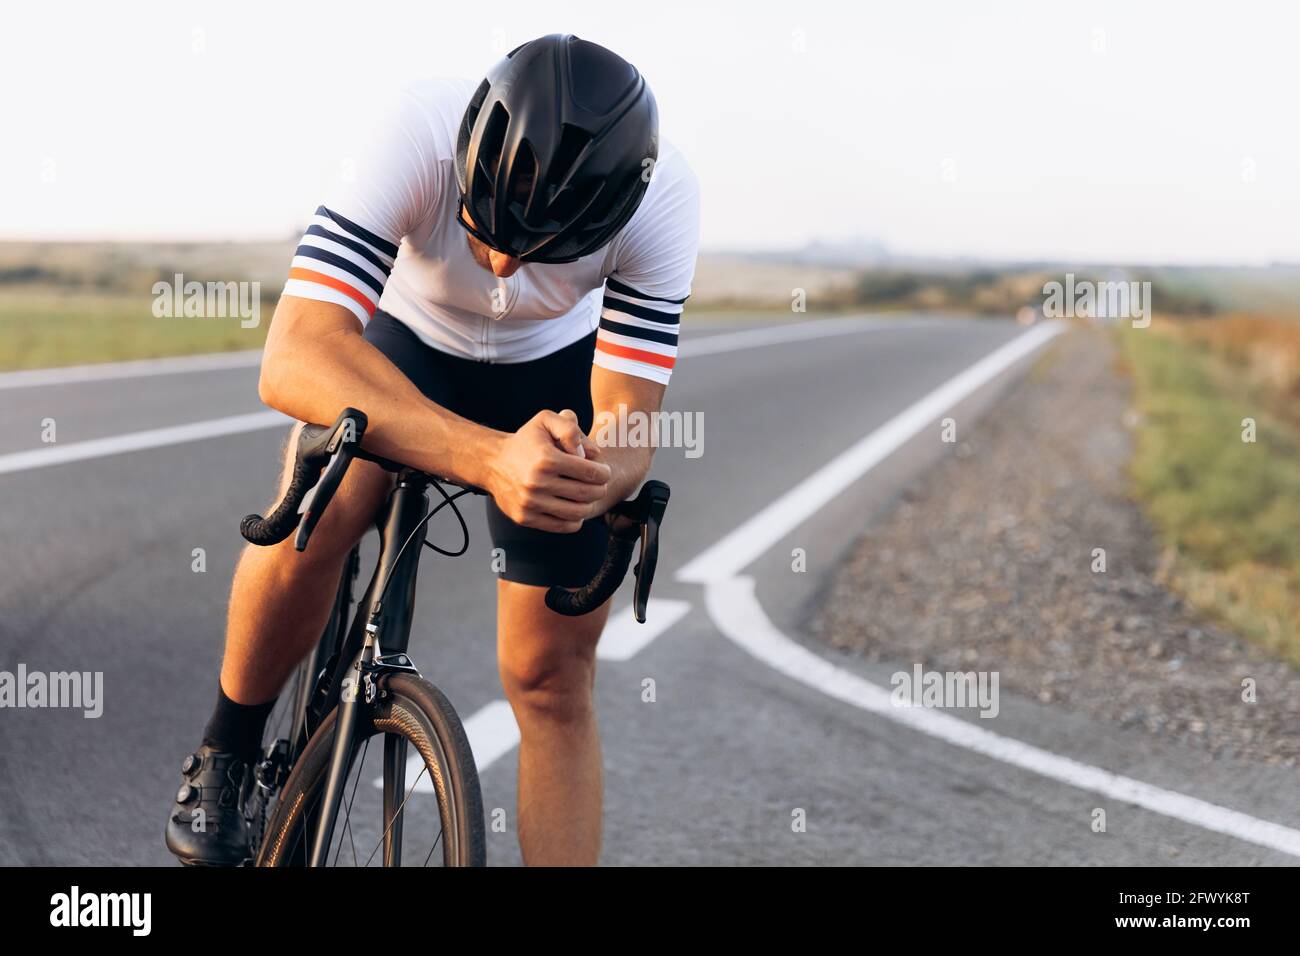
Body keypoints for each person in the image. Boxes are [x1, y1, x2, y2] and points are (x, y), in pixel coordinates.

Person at [164, 33, 699, 866]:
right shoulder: (414, 126)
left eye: (538, 251)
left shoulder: (661, 200)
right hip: (403, 342)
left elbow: (630, 421)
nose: (499, 263)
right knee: (328, 503)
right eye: (484, 227)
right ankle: (228, 751)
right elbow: (295, 354)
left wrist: (588, 477)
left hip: (548, 374)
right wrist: (488, 459)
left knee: (552, 679)